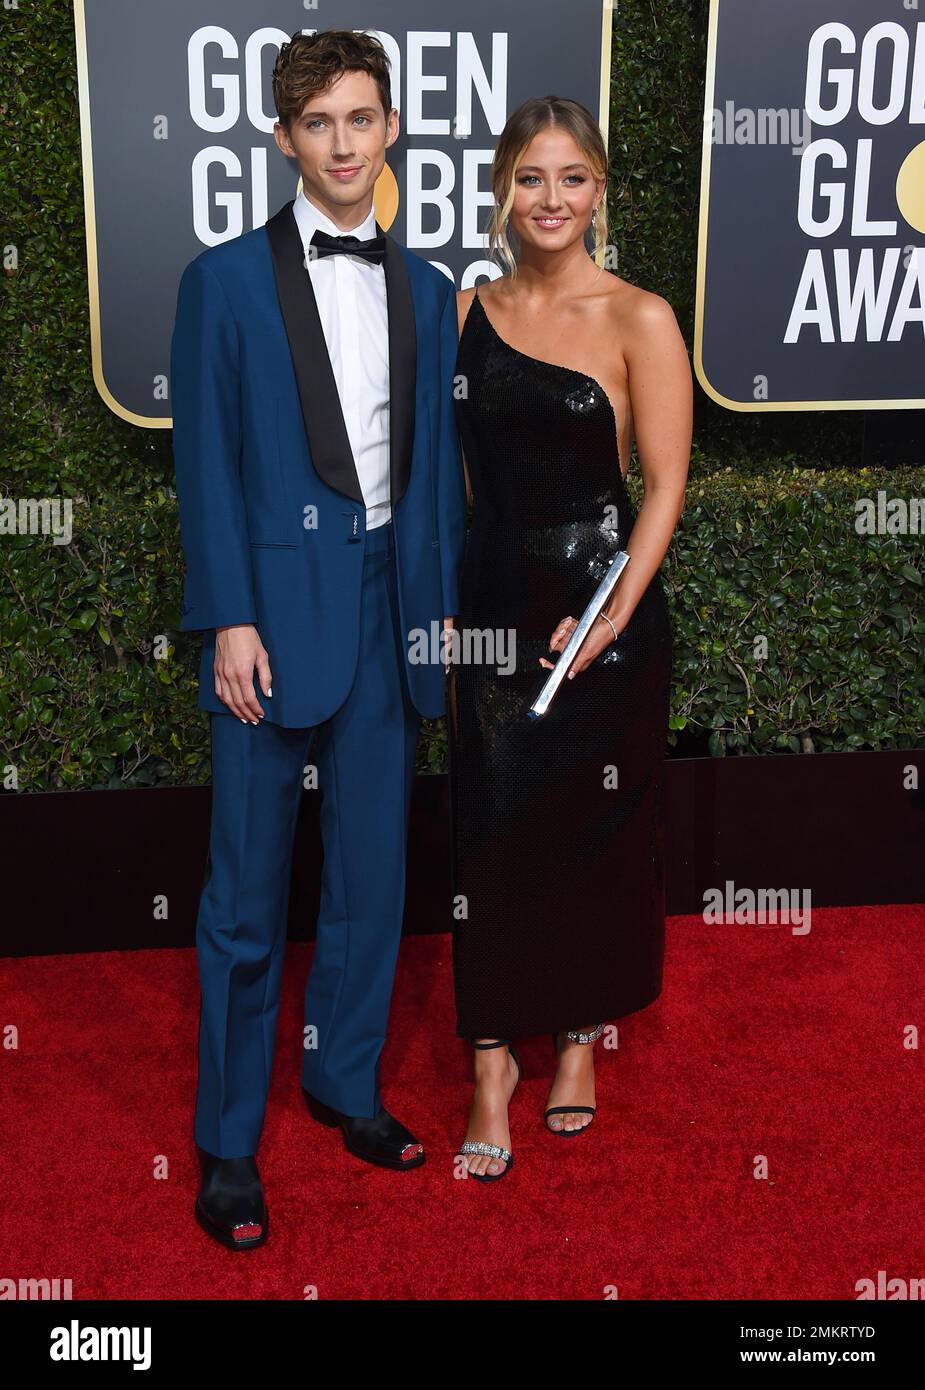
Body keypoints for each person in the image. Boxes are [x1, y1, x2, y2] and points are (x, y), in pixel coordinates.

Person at [170, 30, 466, 1248]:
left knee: (371, 876)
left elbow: (433, 473)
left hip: (392, 610)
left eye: (361, 118)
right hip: (271, 616)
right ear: (286, 138)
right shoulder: (223, 282)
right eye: (318, 123)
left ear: (390, 127)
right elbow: (206, 465)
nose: (343, 144)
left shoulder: (431, 289)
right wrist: (229, 616)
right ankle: (228, 1140)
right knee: (245, 897)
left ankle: (345, 1082)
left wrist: (437, 614)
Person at [448, 96, 691, 1180]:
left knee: (594, 832)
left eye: (573, 178)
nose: (551, 199)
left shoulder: (640, 316)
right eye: (531, 177)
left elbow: (664, 486)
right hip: (491, 608)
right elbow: (452, 480)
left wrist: (610, 615)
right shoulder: (464, 310)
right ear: (504, 188)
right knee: (491, 833)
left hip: (606, 615)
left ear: (600, 191)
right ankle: (490, 1062)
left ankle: (579, 1040)